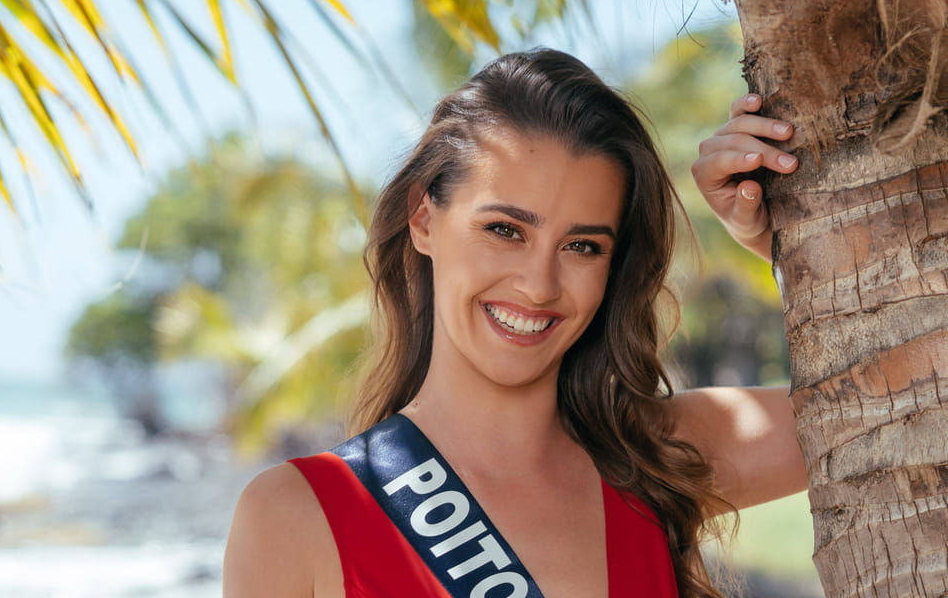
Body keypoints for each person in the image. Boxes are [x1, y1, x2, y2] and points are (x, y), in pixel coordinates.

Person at [222, 49, 806, 598]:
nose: (539, 285)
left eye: (582, 246)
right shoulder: (298, 516)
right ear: (424, 220)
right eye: (505, 230)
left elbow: (881, 396)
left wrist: (773, 244)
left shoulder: (661, 456)